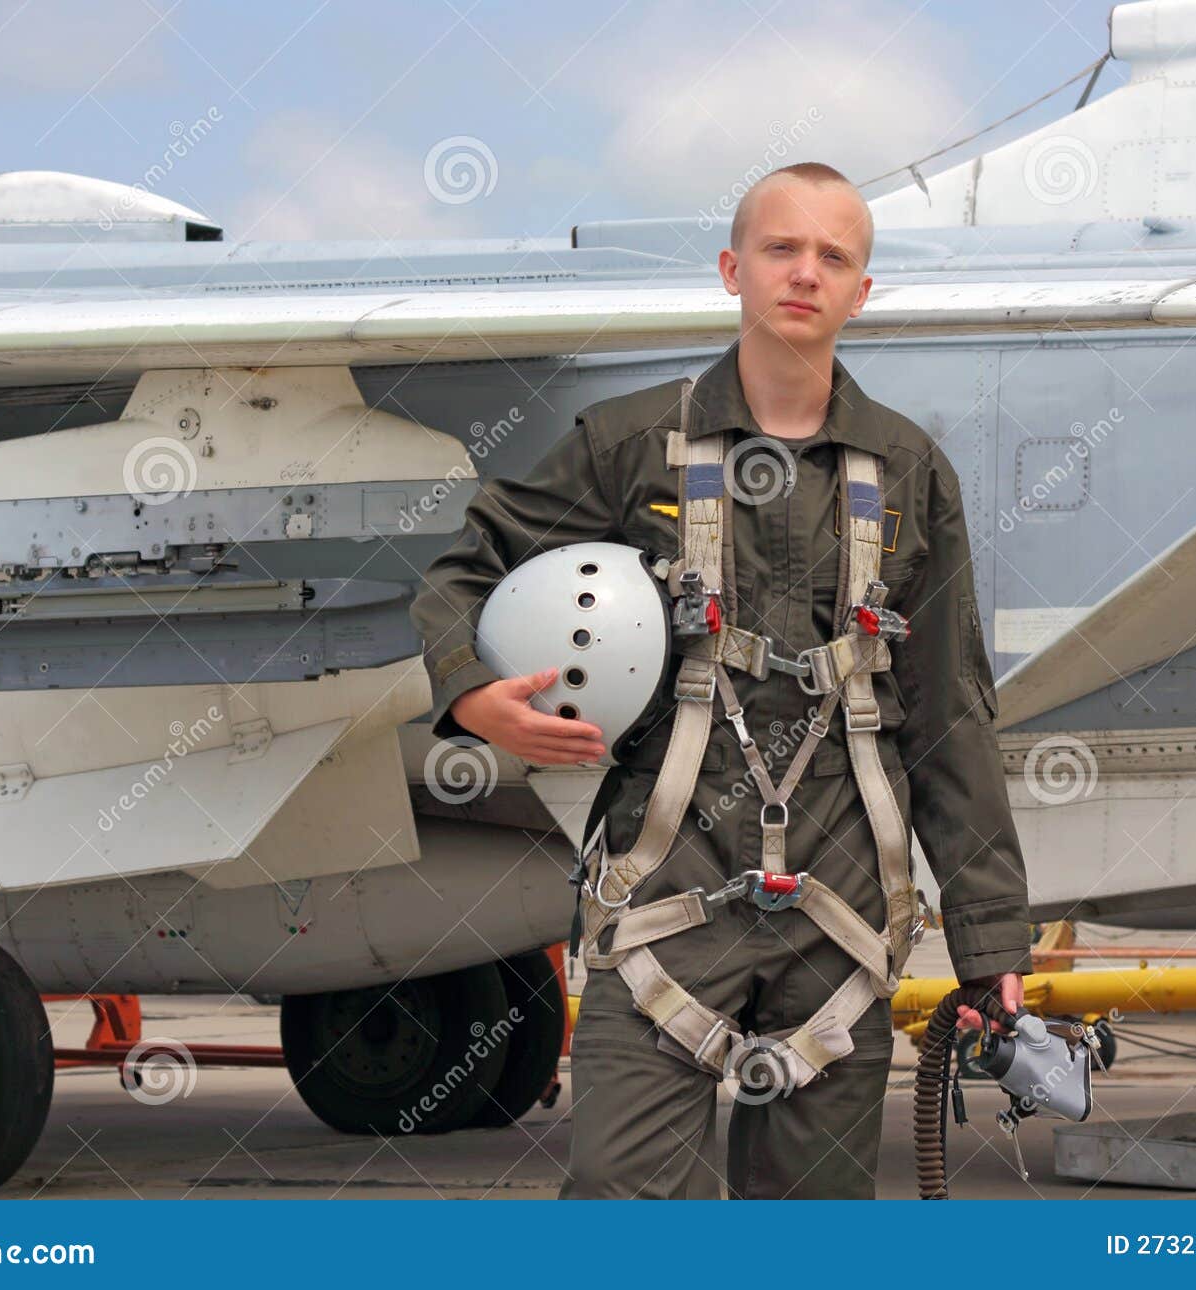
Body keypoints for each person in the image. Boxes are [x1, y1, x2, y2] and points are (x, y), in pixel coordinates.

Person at [409, 162, 1033, 1198]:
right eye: (781, 248)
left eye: (833, 256)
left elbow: (947, 716)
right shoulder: (628, 445)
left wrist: (989, 939)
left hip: (841, 905)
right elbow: (465, 574)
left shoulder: (909, 471)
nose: (805, 273)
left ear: (860, 291)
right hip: (664, 883)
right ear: (731, 269)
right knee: (621, 1204)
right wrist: (471, 696)